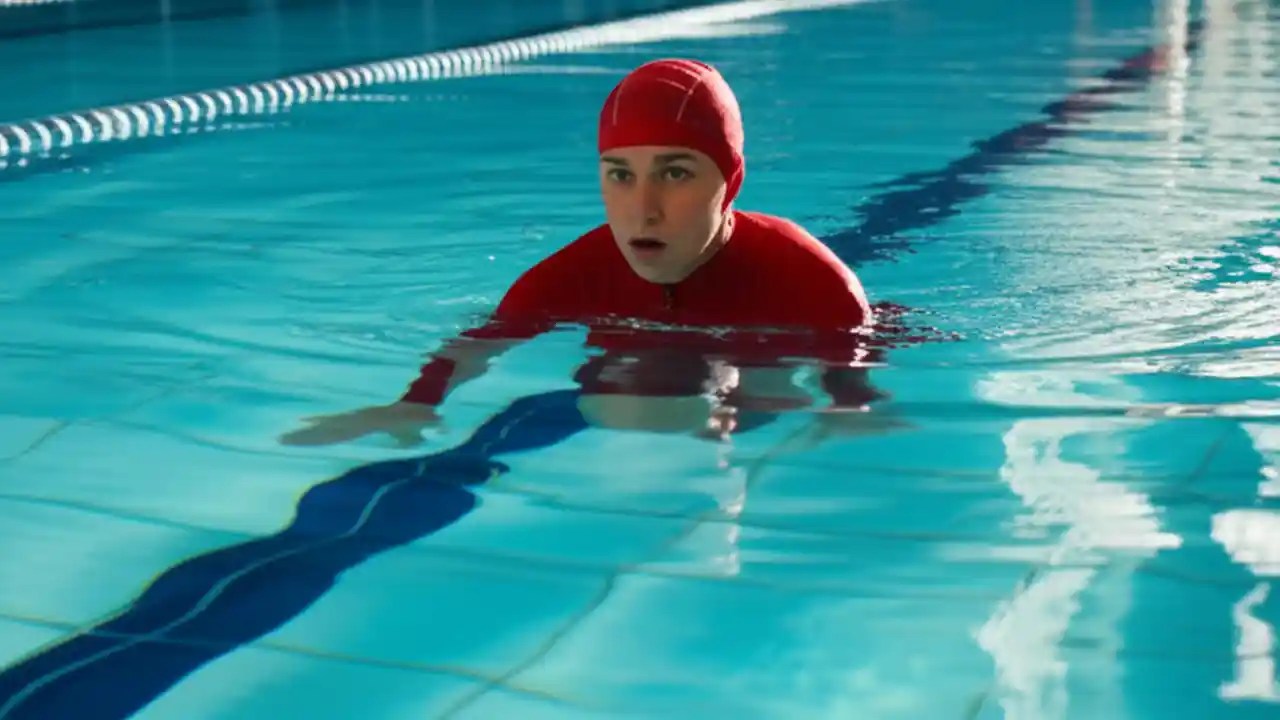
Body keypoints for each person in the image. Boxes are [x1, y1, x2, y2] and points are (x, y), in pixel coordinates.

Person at [282, 58, 892, 448]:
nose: (642, 209)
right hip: (635, 387)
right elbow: (482, 341)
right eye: (619, 175)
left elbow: (852, 371)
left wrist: (852, 408)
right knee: (622, 404)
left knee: (753, 397)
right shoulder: (579, 271)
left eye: (675, 175)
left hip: (756, 381)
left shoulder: (810, 281)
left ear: (729, 184)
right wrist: (412, 405)